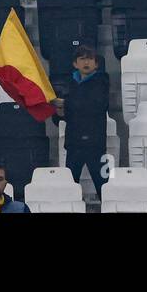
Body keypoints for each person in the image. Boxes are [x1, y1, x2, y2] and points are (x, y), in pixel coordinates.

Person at [52, 45, 111, 195]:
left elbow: (97, 105)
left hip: (96, 144)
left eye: (90, 59)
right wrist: (59, 111)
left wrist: (67, 104)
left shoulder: (102, 81)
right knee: (69, 187)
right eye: (82, 59)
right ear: (75, 64)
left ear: (96, 64)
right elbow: (62, 117)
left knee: (106, 186)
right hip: (74, 143)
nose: (86, 63)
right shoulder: (69, 84)